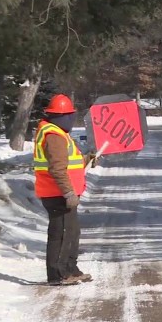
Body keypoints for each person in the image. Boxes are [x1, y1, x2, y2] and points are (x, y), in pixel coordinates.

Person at [33, 94, 94, 286]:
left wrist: (86, 159)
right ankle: (58, 275)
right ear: (62, 116)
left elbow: (68, 164)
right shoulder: (54, 136)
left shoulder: (58, 133)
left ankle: (69, 269)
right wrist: (68, 192)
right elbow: (57, 168)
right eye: (69, 115)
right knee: (61, 233)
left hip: (61, 193)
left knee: (71, 232)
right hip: (58, 193)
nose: (71, 119)